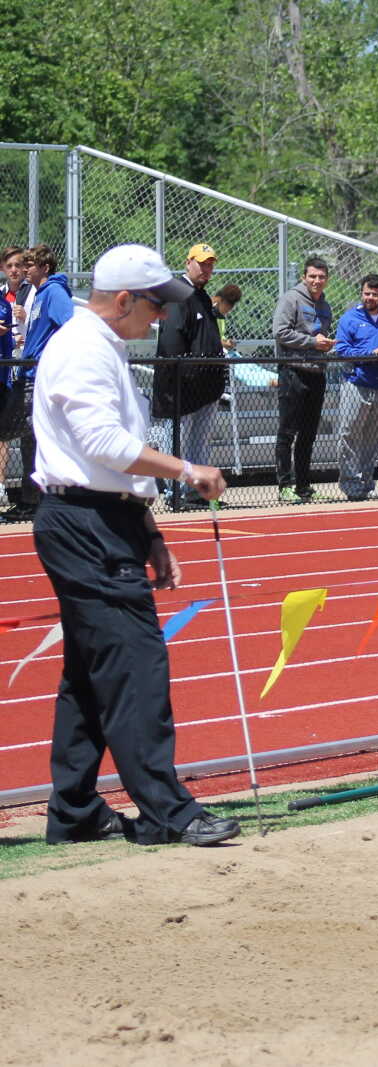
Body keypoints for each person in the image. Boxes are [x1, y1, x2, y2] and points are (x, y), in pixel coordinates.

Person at [31, 243, 238, 847]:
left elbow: (116, 462)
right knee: (136, 665)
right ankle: (166, 811)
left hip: (105, 519)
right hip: (83, 524)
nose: (163, 318)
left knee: (91, 674)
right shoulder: (80, 349)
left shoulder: (105, 347)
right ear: (122, 300)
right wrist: (187, 470)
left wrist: (149, 531)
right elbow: (100, 444)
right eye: (155, 306)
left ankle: (73, 810)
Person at [150, 243, 228, 511]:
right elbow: (172, 343)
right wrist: (183, 378)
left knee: (199, 442)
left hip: (206, 385)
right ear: (188, 263)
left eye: (210, 264)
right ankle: (177, 493)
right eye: (202, 263)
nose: (206, 269)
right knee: (178, 442)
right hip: (182, 387)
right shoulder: (177, 294)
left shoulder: (203, 296)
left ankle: (197, 492)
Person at [8, 245, 74, 522]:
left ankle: (34, 501)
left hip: (41, 377)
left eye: (31, 265)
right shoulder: (39, 295)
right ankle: (31, 499)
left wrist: (50, 358)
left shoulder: (55, 293)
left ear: (45, 268)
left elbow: (69, 327)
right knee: (29, 440)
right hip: (30, 375)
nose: (25, 269)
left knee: (34, 439)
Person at [271, 257, 335, 503]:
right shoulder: (291, 299)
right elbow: (280, 331)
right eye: (312, 277)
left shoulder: (325, 306)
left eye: (321, 277)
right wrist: (312, 342)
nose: (317, 281)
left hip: (317, 373)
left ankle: (303, 486)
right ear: (304, 277)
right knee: (287, 432)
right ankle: (284, 486)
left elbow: (320, 336)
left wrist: (326, 345)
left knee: (309, 434)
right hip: (293, 372)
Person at [332, 274, 378, 502]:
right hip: (355, 384)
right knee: (349, 433)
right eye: (366, 293)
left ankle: (366, 483)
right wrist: (372, 353)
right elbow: (342, 350)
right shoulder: (349, 318)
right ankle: (350, 484)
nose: (370, 297)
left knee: (374, 437)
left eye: (375, 294)